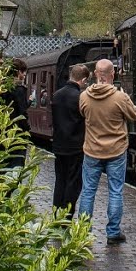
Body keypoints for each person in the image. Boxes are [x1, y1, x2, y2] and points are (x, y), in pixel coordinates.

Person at [77, 58, 136, 244]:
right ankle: (113, 232)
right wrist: (126, 97)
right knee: (115, 191)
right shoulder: (120, 97)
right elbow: (134, 115)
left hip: (92, 150)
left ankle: (83, 232)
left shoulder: (84, 96)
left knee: (88, 191)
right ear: (113, 74)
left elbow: (82, 113)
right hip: (116, 151)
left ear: (96, 74)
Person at [50, 64, 89, 216]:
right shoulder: (80, 98)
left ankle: (56, 214)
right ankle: (67, 215)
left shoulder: (56, 95)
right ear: (83, 80)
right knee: (73, 183)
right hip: (75, 147)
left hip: (59, 145)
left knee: (60, 181)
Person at [0, 57, 31, 168]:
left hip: (3, 131)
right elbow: (22, 112)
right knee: (17, 163)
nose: (24, 75)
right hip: (17, 132)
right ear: (18, 72)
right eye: (23, 72)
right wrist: (27, 128)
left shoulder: (2, 88)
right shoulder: (19, 90)